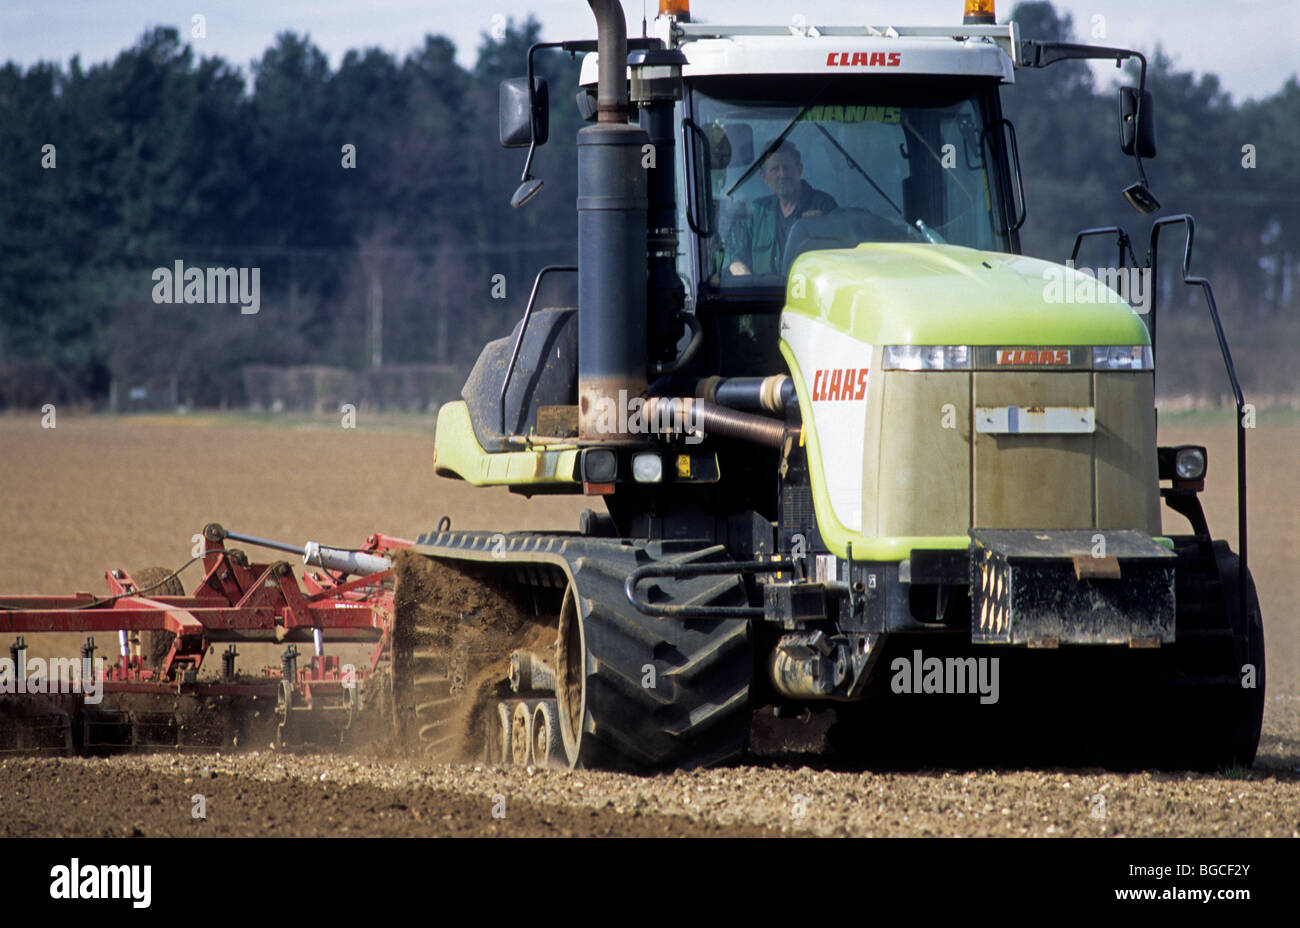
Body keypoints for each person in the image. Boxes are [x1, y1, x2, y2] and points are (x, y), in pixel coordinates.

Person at [724, 141, 837, 277]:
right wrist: (739, 268)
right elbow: (730, 252)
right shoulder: (757, 212)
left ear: (799, 169)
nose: (782, 174)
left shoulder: (824, 206)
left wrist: (820, 226)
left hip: (808, 295)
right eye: (775, 169)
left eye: (787, 167)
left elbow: (840, 257)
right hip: (763, 296)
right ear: (764, 177)